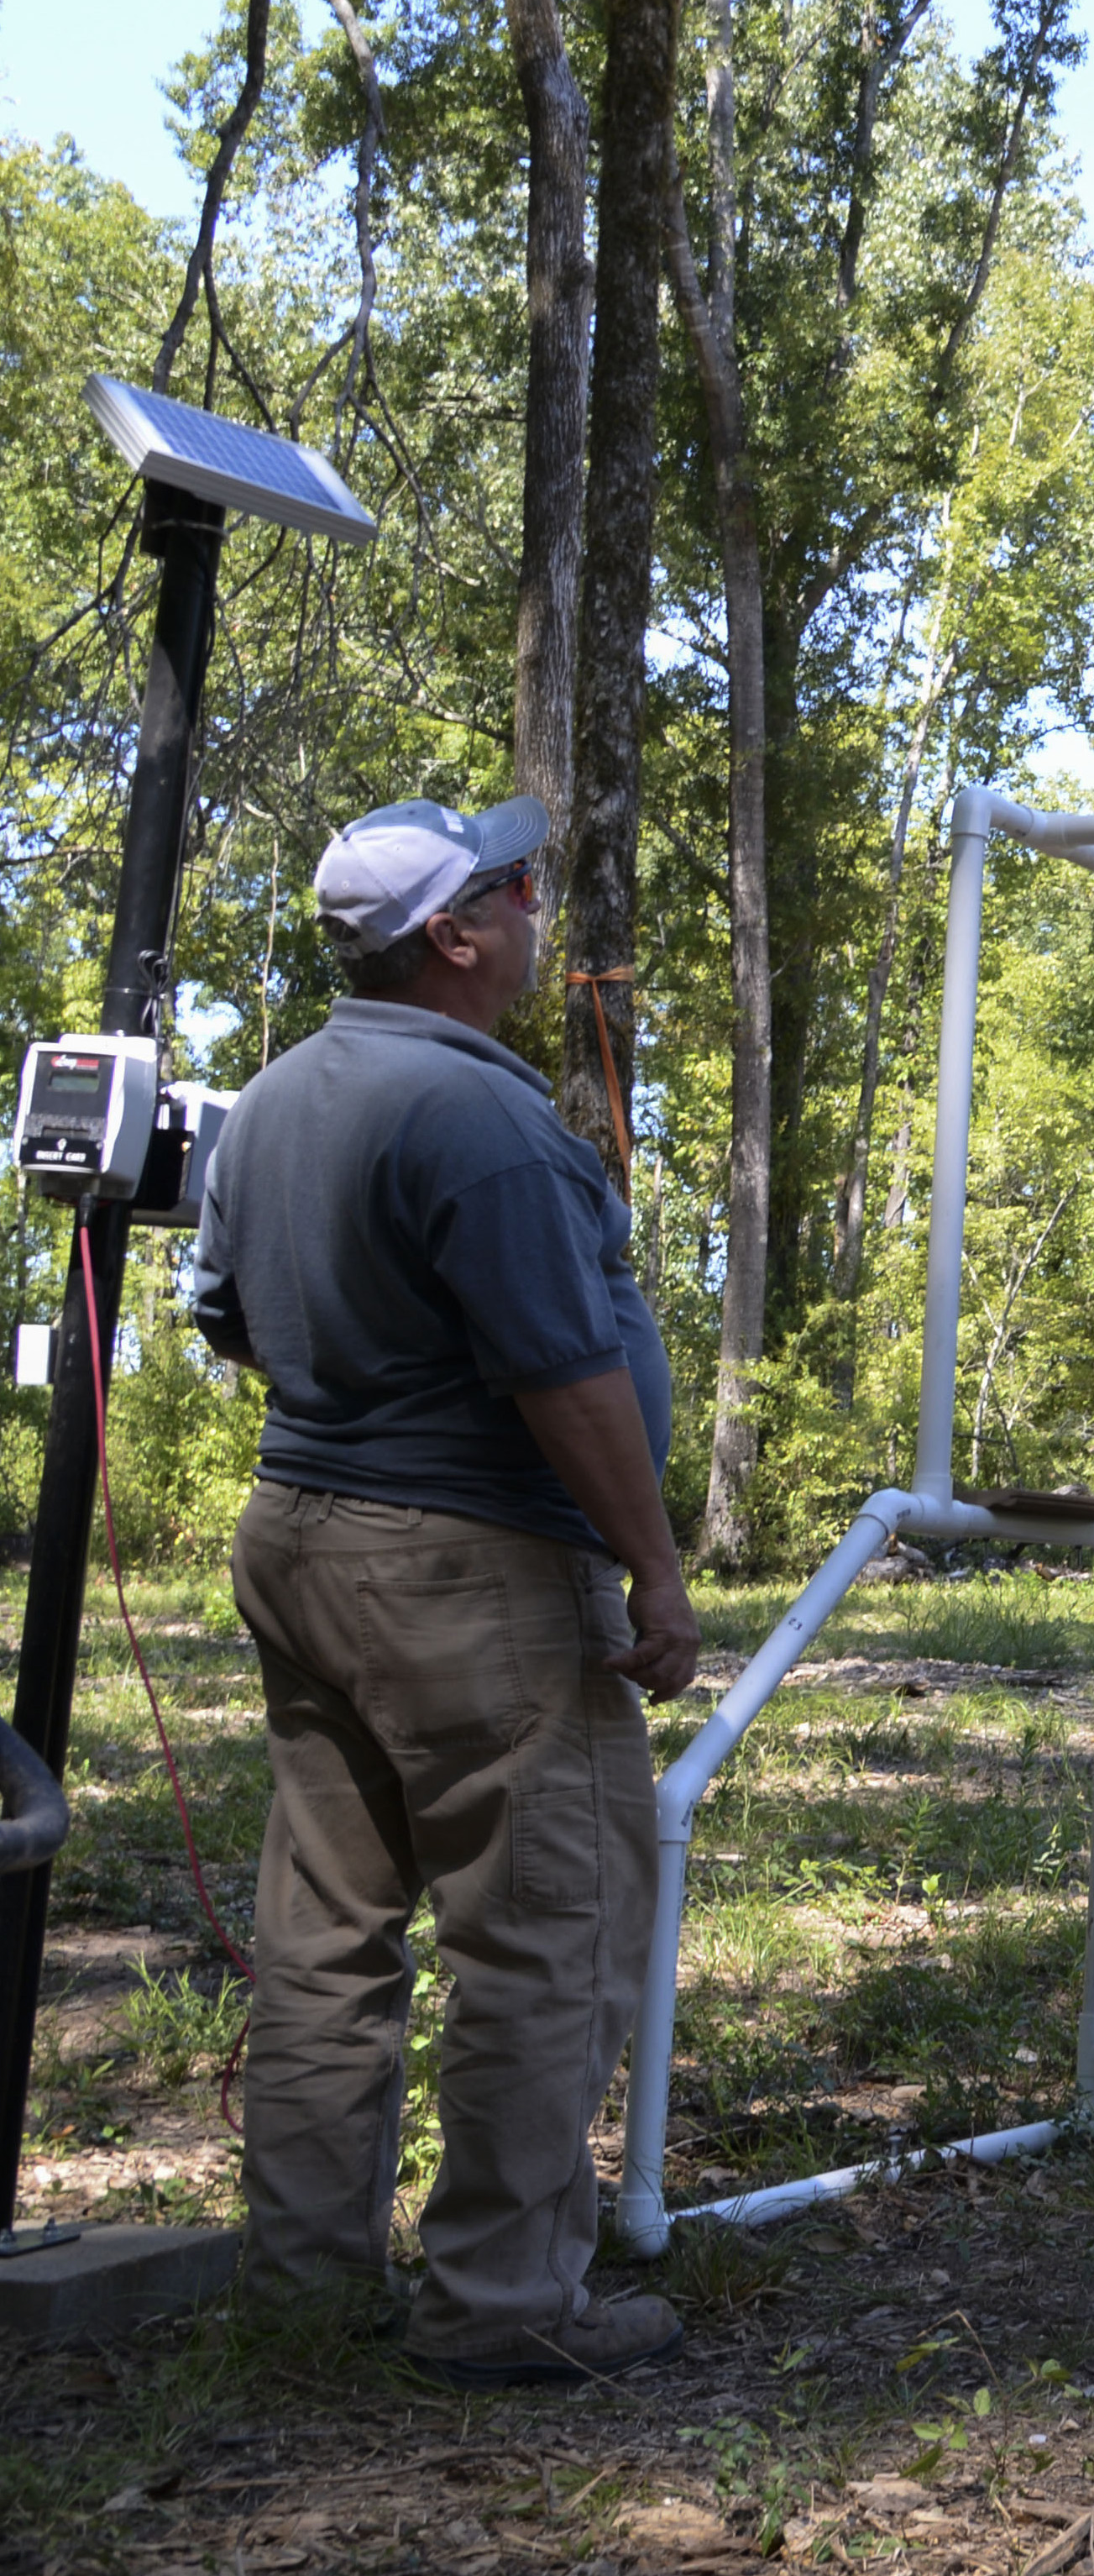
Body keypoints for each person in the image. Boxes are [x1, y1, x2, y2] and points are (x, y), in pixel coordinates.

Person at [187, 797, 700, 2388]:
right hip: (467, 1564)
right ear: (456, 938)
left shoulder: (274, 1099)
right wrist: (657, 1568)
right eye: (516, 887)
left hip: (301, 1530)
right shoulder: (480, 1123)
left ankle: (304, 2285)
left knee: (328, 1930)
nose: (541, 904)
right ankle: (499, 2306)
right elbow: (565, 1376)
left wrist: (363, 1385)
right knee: (546, 1930)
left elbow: (224, 1318)